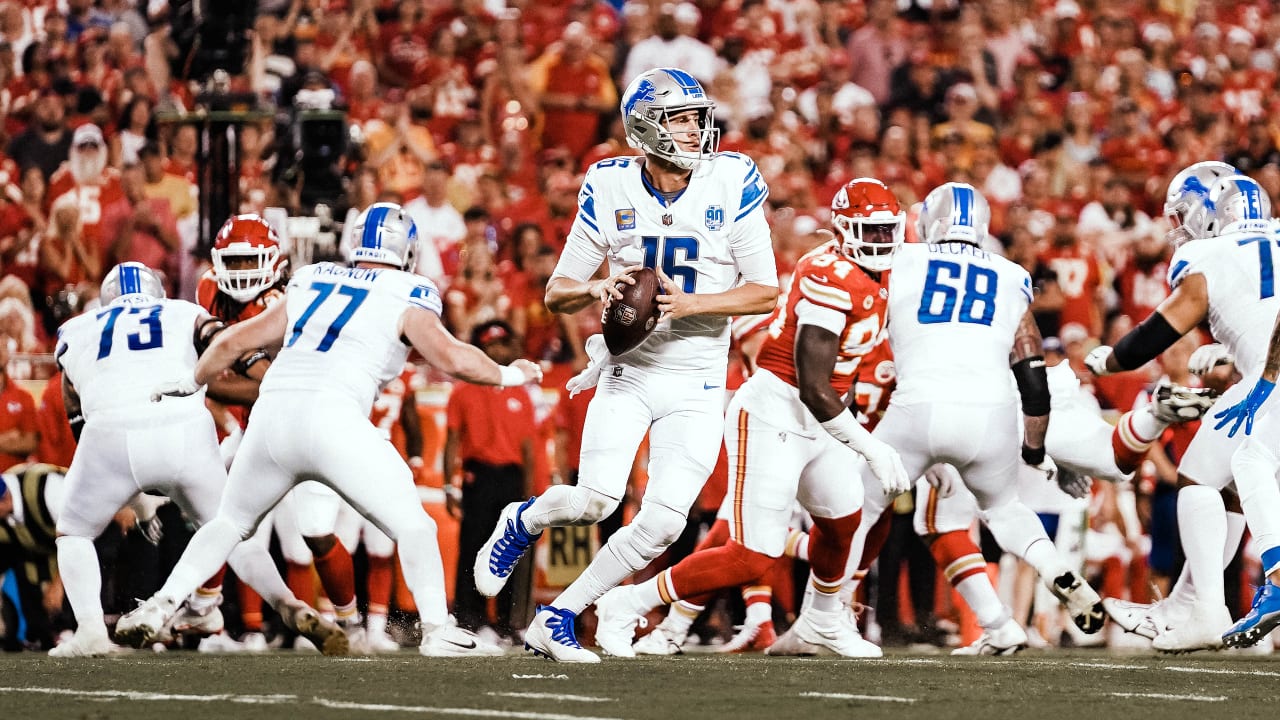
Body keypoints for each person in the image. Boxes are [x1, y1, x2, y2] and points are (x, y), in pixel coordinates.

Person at [115, 203, 542, 657]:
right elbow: (453, 357)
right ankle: (436, 629)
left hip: (273, 415)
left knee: (229, 523)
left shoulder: (312, 275)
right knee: (413, 525)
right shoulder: (408, 289)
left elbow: (236, 340)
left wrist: (191, 381)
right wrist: (509, 374)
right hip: (334, 417)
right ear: (408, 250)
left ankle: (160, 605)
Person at [473, 67, 780, 663]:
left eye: (698, 117)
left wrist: (696, 303)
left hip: (698, 376)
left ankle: (559, 615)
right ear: (648, 127)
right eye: (683, 119)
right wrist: (598, 288)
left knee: (665, 523)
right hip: (631, 369)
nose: (698, 130)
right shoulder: (610, 185)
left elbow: (764, 291)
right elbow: (557, 290)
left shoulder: (730, 179)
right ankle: (524, 520)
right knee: (597, 500)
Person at [590, 178, 911, 659]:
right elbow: (813, 385)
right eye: (872, 232)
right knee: (750, 555)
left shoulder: (883, 270)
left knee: (844, 523)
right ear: (843, 231)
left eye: (889, 231)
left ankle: (821, 622)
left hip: (821, 418)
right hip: (777, 414)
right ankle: (626, 601)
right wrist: (871, 445)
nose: (882, 243)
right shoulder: (829, 274)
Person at [851, 182, 1105, 638]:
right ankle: (1044, 575)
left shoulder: (900, 259)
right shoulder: (1011, 275)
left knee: (853, 508)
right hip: (990, 413)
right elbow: (1031, 372)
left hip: (916, 408)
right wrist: (1033, 451)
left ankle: (825, 616)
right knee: (1004, 509)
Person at [52, 262, 339, 657]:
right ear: (157, 293)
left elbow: (74, 406)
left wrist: (113, 481)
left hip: (110, 433)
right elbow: (226, 342)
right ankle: (289, 605)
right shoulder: (183, 311)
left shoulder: (76, 328)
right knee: (231, 529)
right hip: (183, 425)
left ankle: (89, 631)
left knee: (74, 532)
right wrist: (268, 374)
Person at [1087, 165, 1268, 652]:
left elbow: (1165, 326)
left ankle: (1207, 608)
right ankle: (1184, 605)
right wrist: (1236, 356)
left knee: (1197, 477)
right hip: (1264, 373)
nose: (1182, 227)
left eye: (1188, 214)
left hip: (1269, 383)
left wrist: (1112, 358)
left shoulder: (1208, 253)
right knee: (1222, 484)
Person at [444, 319, 538, 642]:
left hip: (511, 479)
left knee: (509, 549)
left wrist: (529, 496)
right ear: (481, 348)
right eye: (491, 344)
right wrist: (448, 485)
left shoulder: (520, 393)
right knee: (473, 546)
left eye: (502, 343)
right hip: (478, 475)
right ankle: (470, 618)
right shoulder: (463, 389)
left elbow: (528, 448)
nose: (498, 350)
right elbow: (452, 440)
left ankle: (508, 623)